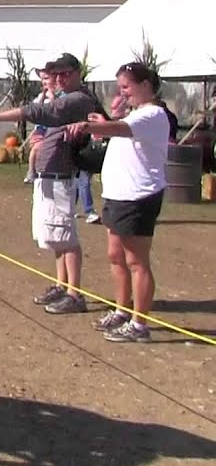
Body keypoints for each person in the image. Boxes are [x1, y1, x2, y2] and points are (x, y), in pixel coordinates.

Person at [0, 53, 103, 316]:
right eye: (56, 75)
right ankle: (62, 284)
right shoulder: (63, 97)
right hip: (48, 176)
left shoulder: (79, 99)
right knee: (55, 237)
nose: (59, 79)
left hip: (61, 177)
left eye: (64, 74)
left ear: (77, 73)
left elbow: (39, 112)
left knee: (66, 236)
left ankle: (75, 294)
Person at [70, 63, 169, 343]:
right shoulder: (135, 114)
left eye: (126, 87)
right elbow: (118, 130)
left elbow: (122, 129)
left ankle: (140, 323)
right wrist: (102, 124)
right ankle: (122, 310)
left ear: (145, 86)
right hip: (117, 195)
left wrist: (92, 125)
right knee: (116, 256)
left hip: (139, 196)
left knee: (136, 260)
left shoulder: (152, 114)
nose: (122, 93)